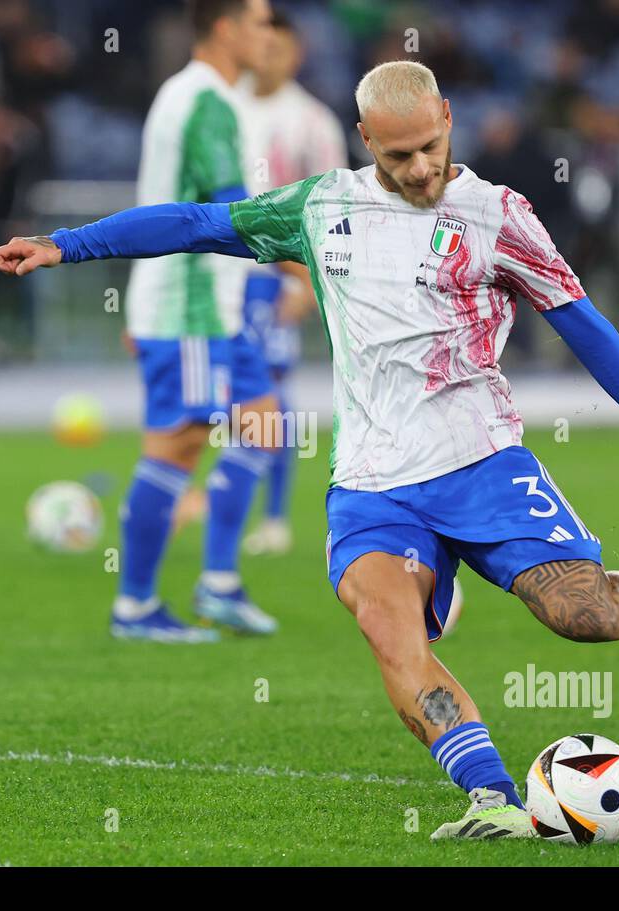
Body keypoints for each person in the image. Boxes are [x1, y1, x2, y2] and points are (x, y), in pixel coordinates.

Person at [0, 61, 619, 840]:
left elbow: (587, 329)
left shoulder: (499, 216)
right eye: (396, 157)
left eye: (428, 149)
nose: (418, 171)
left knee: (578, 616)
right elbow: (195, 224)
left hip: (482, 462)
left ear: (448, 117)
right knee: (389, 629)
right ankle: (493, 797)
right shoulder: (322, 207)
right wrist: (65, 246)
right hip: (374, 484)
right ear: (363, 140)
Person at [108, 0, 279, 644]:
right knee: (180, 444)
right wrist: (303, 255)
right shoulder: (208, 100)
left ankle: (219, 583)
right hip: (189, 304)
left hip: (216, 304)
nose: (270, 36)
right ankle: (136, 607)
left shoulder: (195, 95)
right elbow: (233, 208)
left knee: (261, 425)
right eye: (261, 23)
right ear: (226, 27)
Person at [237, 9, 347, 556]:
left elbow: (331, 205)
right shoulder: (224, 105)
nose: (267, 55)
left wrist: (309, 281)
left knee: (269, 391)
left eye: (278, 47)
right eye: (261, 44)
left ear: (296, 53)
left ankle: (274, 516)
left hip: (275, 274)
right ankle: (225, 500)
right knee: (227, 392)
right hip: (219, 271)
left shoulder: (313, 120)